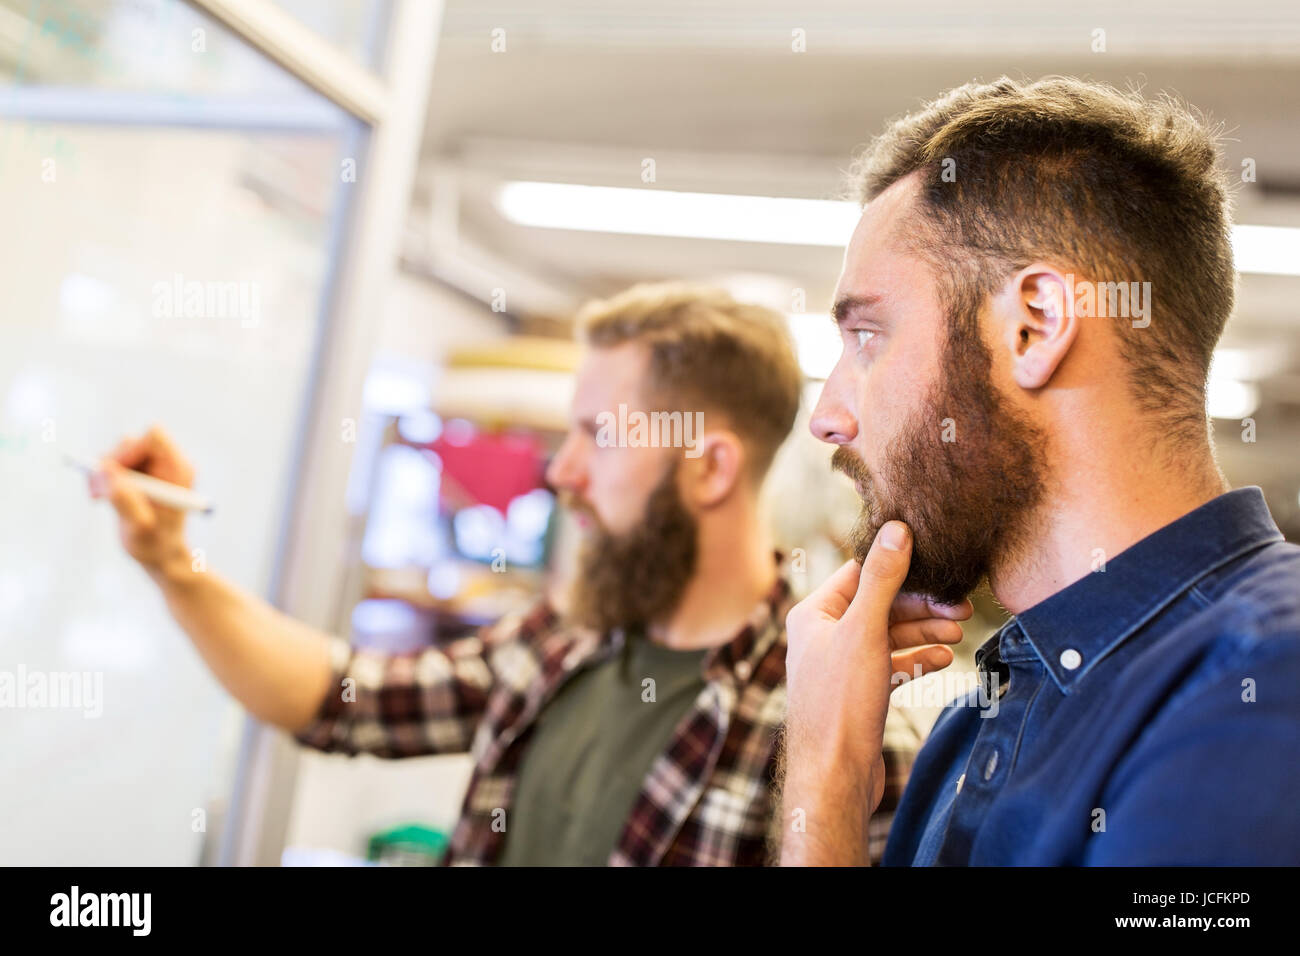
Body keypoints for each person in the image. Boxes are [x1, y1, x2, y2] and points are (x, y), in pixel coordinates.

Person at [91, 282, 933, 866]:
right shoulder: (562, 644)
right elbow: (337, 699)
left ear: (707, 468)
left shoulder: (836, 728)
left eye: (597, 436)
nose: (560, 473)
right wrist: (173, 562)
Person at [778, 76, 1300, 865]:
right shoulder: (978, 721)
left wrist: (823, 784)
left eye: (867, 337)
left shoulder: (1263, 679)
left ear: (1036, 326)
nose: (827, 415)